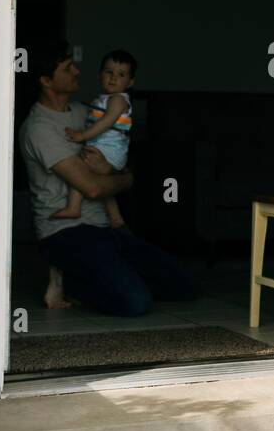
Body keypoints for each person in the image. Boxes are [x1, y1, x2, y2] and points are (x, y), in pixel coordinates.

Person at [18, 42, 197, 315]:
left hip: (104, 228)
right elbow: (91, 188)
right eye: (68, 68)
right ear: (46, 81)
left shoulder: (86, 112)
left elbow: (114, 165)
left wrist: (115, 173)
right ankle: (74, 282)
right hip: (64, 233)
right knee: (135, 302)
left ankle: (111, 276)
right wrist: (125, 180)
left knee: (185, 286)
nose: (77, 71)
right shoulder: (39, 128)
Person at [51, 48, 136, 228]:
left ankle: (74, 207)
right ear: (100, 75)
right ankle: (116, 218)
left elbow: (105, 123)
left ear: (130, 82)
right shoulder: (104, 99)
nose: (113, 78)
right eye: (109, 72)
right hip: (107, 148)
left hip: (109, 150)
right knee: (103, 184)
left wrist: (82, 135)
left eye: (121, 74)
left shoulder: (118, 100)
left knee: (81, 170)